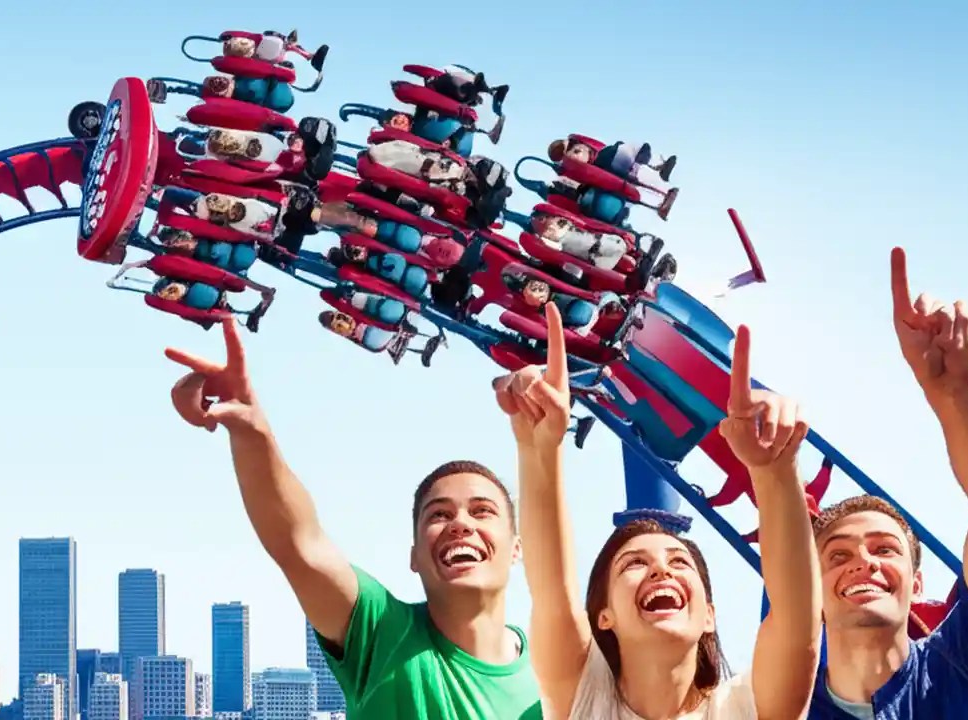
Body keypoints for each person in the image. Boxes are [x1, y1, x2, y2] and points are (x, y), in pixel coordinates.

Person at [164, 320, 543, 719]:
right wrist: (250, 431)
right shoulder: (381, 634)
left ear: (517, 547)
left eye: (482, 511)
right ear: (414, 556)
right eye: (439, 514)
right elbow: (300, 545)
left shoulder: (556, 674)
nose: (460, 524)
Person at [492, 302, 822, 719]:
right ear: (603, 617)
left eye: (680, 561)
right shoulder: (582, 696)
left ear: (709, 616)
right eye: (633, 563)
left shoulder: (743, 708)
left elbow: (797, 625)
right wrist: (539, 449)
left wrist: (776, 470)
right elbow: (552, 591)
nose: (661, 570)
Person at [806, 247, 968, 719]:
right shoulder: (778, 703)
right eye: (838, 555)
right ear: (810, 590)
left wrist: (954, 392)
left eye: (884, 548)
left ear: (916, 585)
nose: (864, 562)